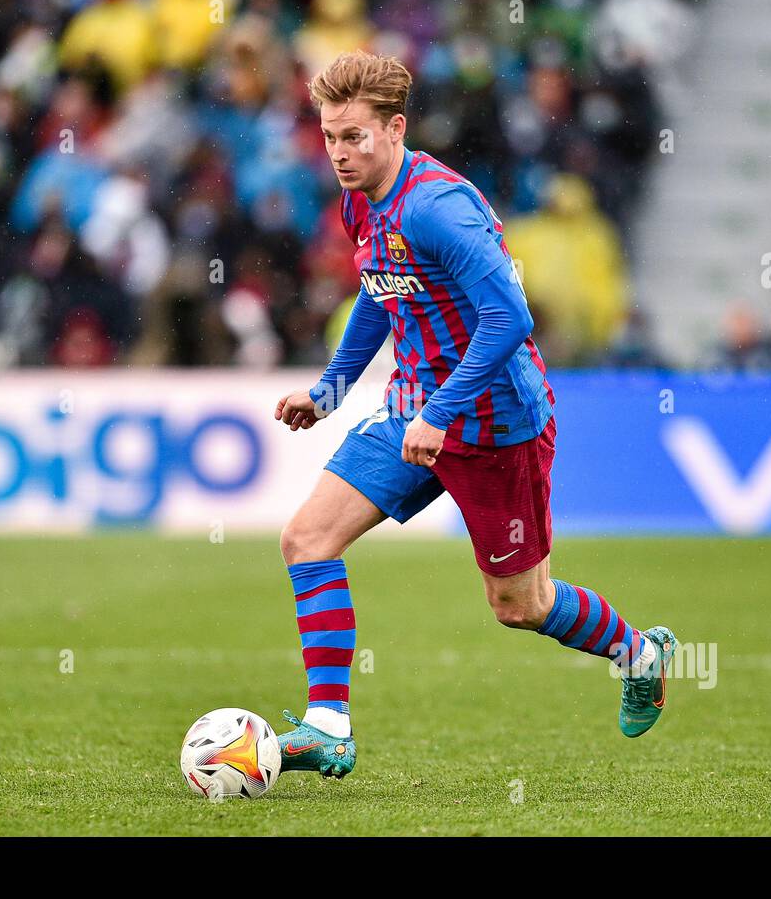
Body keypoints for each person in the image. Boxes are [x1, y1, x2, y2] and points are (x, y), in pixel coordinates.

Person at [272, 51, 677, 778]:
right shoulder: (360, 197)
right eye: (330, 136)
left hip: (494, 424)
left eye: (354, 136)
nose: (339, 152)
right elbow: (377, 286)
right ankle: (327, 724)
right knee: (306, 538)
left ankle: (639, 652)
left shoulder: (436, 207)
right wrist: (329, 390)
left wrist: (443, 410)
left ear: (395, 129)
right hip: (413, 411)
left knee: (521, 605)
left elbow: (510, 315)